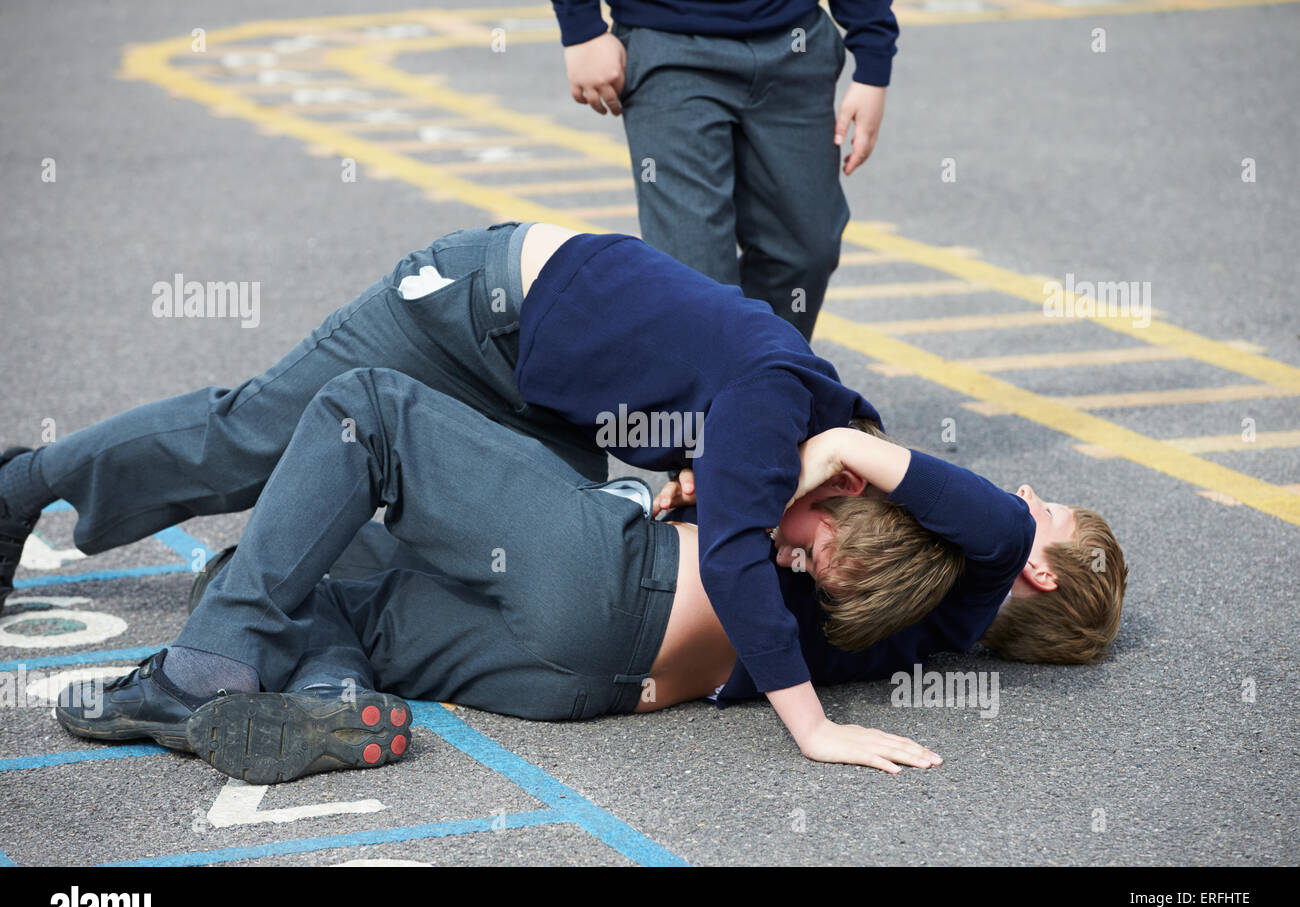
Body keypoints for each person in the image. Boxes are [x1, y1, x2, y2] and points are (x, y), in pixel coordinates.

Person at [0, 220, 1123, 769]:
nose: (1026, 491)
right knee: (295, 523)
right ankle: (329, 687)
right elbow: (749, 526)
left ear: (1024, 558)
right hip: (496, 341)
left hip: (530, 395)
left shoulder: (812, 434)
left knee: (327, 427)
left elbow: (758, 542)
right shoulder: (912, 610)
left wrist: (812, 724)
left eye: (1043, 509)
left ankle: (45, 509)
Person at [51, 372, 963, 782]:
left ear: (855, 488)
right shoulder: (904, 614)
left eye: (808, 556)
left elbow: (990, 534)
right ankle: (332, 692)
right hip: (581, 687)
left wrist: (836, 448)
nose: (785, 552)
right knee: (273, 571)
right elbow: (993, 549)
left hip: (612, 581)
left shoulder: (831, 510)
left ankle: (193, 678)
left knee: (366, 408)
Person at [553, 0, 898, 338]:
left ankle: (766, 376)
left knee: (806, 252)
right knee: (696, 274)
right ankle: (725, 388)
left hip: (796, 43)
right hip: (667, 45)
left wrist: (873, 59)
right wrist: (581, 28)